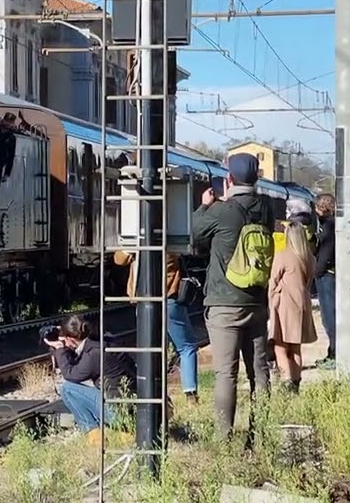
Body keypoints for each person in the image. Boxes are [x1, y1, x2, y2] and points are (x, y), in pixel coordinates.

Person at [190, 152, 274, 441]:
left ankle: (223, 438)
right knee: (259, 372)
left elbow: (195, 236)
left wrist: (205, 207)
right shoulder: (265, 209)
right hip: (257, 303)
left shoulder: (222, 210)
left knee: (226, 373)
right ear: (257, 178)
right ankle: (260, 435)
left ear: (229, 179)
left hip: (225, 304)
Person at [110, 250, 199, 404]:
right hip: (169, 299)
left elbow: (119, 260)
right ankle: (191, 395)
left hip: (143, 301)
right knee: (186, 347)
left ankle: (149, 393)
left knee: (151, 349)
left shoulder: (138, 243)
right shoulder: (169, 242)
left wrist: (128, 248)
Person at [44, 314, 133, 440]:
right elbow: (80, 359)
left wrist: (59, 349)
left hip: (120, 413)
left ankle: (95, 436)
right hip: (134, 406)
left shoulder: (94, 354)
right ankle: (120, 430)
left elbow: (70, 374)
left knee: (67, 389)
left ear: (70, 339)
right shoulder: (106, 340)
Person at [268, 222, 318, 393]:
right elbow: (309, 283)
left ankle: (286, 381)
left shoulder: (283, 255)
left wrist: (271, 300)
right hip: (302, 303)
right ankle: (296, 384)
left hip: (285, 304)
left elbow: (273, 281)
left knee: (280, 346)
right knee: (296, 347)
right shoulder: (310, 257)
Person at [312, 194, 337, 369]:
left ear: (322, 208)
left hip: (327, 276)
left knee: (329, 317)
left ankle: (335, 354)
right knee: (331, 316)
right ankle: (333, 351)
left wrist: (316, 272)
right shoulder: (333, 224)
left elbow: (325, 254)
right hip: (331, 275)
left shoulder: (328, 226)